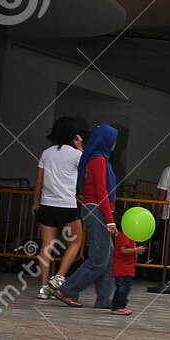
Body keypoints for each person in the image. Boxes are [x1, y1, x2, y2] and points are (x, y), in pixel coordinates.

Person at [55, 124, 119, 310]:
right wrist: (110, 219)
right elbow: (101, 192)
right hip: (97, 209)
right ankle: (67, 290)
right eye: (113, 139)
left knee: (106, 257)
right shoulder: (98, 159)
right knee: (99, 259)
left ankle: (104, 299)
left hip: (93, 209)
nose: (115, 143)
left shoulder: (94, 157)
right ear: (106, 140)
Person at [32, 117, 85, 299]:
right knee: (76, 242)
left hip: (47, 204)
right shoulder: (77, 155)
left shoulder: (46, 153)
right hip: (67, 205)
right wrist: (81, 149)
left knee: (46, 247)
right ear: (74, 135)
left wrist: (35, 202)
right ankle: (59, 277)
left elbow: (38, 181)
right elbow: (87, 173)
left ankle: (43, 288)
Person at [110, 228, 145, 315]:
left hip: (127, 268)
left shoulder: (129, 235)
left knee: (125, 287)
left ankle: (121, 305)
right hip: (122, 268)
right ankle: (118, 306)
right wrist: (136, 250)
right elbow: (123, 250)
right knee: (123, 287)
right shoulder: (125, 235)